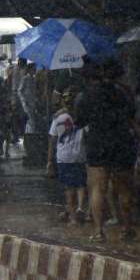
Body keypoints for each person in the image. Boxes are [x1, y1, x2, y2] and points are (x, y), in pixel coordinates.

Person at [75, 57, 138, 242]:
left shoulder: (85, 96)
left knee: (97, 188)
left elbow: (79, 121)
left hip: (97, 143)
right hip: (121, 142)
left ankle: (98, 231)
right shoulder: (123, 93)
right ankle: (126, 229)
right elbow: (131, 114)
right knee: (124, 189)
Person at [47, 95, 87, 225]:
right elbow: (87, 134)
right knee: (80, 184)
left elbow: (53, 139)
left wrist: (49, 160)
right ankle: (81, 207)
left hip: (64, 157)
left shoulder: (59, 118)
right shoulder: (83, 116)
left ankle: (73, 217)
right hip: (79, 155)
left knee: (69, 187)